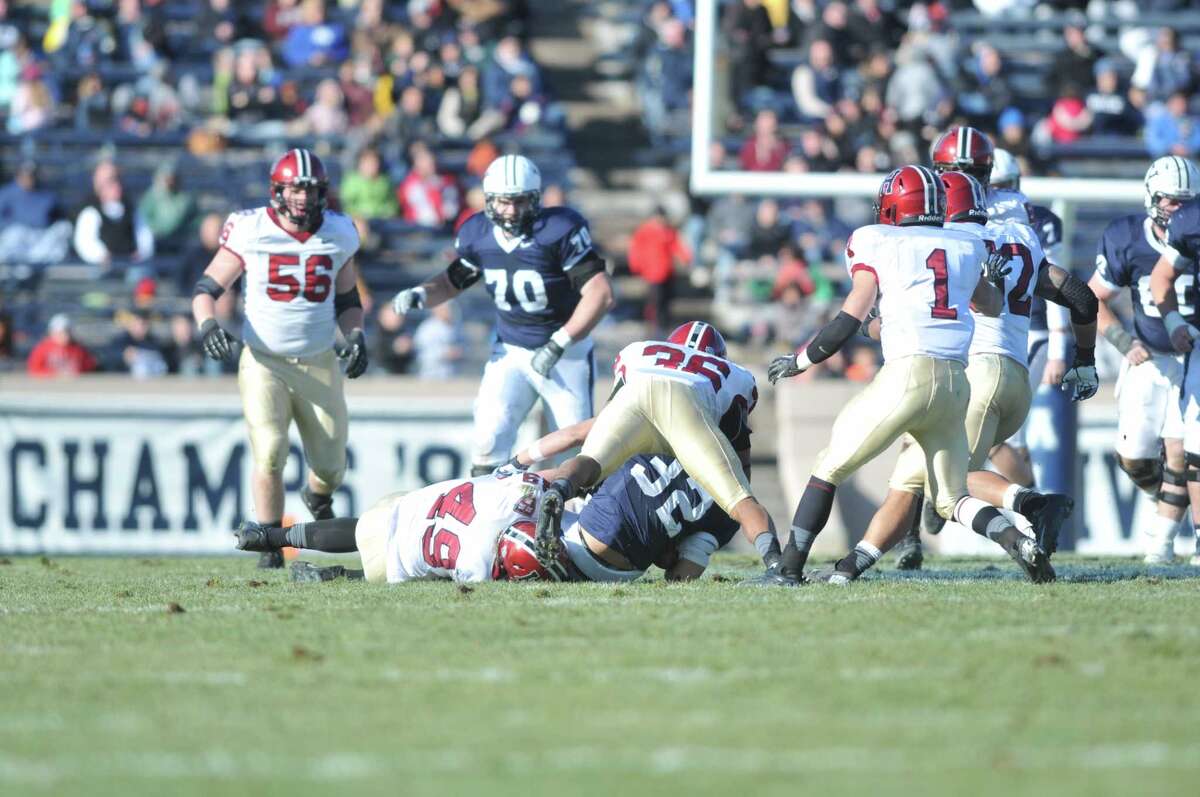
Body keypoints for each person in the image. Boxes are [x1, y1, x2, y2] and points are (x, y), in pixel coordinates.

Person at [766, 165, 1051, 583]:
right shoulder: (966, 245)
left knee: (829, 465)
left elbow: (849, 318)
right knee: (951, 497)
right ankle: (1018, 542)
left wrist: (802, 360)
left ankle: (788, 569)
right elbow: (990, 305)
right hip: (957, 383)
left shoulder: (876, 239)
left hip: (907, 376)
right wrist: (986, 279)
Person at [820, 171, 1098, 584]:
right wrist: (1085, 359)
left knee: (948, 487)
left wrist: (867, 325)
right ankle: (850, 568)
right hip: (1018, 380)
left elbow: (900, 318)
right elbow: (1080, 295)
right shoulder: (1020, 234)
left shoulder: (948, 243)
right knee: (912, 481)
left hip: (973, 375)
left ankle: (1032, 504)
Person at [192, 148, 369, 569]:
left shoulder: (339, 233)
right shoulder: (251, 229)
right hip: (264, 361)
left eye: (310, 189)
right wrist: (207, 326)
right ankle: (269, 542)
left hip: (319, 361)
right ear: (278, 190)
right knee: (269, 449)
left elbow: (348, 298)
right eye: (295, 188)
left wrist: (358, 334)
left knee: (331, 466)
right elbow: (206, 288)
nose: (303, 198)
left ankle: (317, 496)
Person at [390, 154, 614, 475]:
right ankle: (488, 518)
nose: (510, 211)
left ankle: (573, 521)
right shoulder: (477, 234)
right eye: (503, 202)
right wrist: (422, 293)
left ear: (535, 200)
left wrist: (559, 342)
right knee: (487, 443)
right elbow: (453, 281)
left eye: (519, 202)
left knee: (577, 456)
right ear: (488, 200)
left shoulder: (557, 231)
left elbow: (600, 293)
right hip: (511, 350)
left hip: (565, 353)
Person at [532, 321, 786, 585]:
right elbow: (740, 450)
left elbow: (611, 412)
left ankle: (560, 490)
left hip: (635, 392)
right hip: (685, 402)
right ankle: (777, 565)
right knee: (740, 499)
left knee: (590, 462)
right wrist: (738, 490)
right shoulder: (733, 374)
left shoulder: (638, 350)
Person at [1088, 156, 1199, 563]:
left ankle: (1161, 545)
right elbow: (1091, 298)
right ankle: (1166, 505)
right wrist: (1121, 340)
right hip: (1149, 357)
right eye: (1172, 201)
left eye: (1188, 202)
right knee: (1134, 458)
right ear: (1153, 197)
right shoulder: (1126, 237)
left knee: (1181, 451)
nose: (1180, 210)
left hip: (1191, 359)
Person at [73, 160, 155, 267]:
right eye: (111, 184)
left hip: (130, 264)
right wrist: (102, 255)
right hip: (101, 267)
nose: (116, 188)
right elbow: (85, 242)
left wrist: (141, 253)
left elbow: (144, 235)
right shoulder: (91, 211)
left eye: (117, 183)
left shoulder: (131, 209)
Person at [627, 206, 691, 333]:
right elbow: (636, 249)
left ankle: (664, 324)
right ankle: (653, 325)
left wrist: (685, 258)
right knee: (655, 300)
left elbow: (676, 246)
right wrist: (636, 266)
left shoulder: (668, 231)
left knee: (666, 299)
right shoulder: (645, 231)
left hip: (667, 271)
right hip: (652, 272)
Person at [26, 313, 98, 377]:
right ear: (52, 333)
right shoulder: (42, 348)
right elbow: (34, 370)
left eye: (66, 332)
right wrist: (55, 375)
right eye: (59, 333)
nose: (64, 335)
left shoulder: (78, 349)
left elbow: (88, 367)